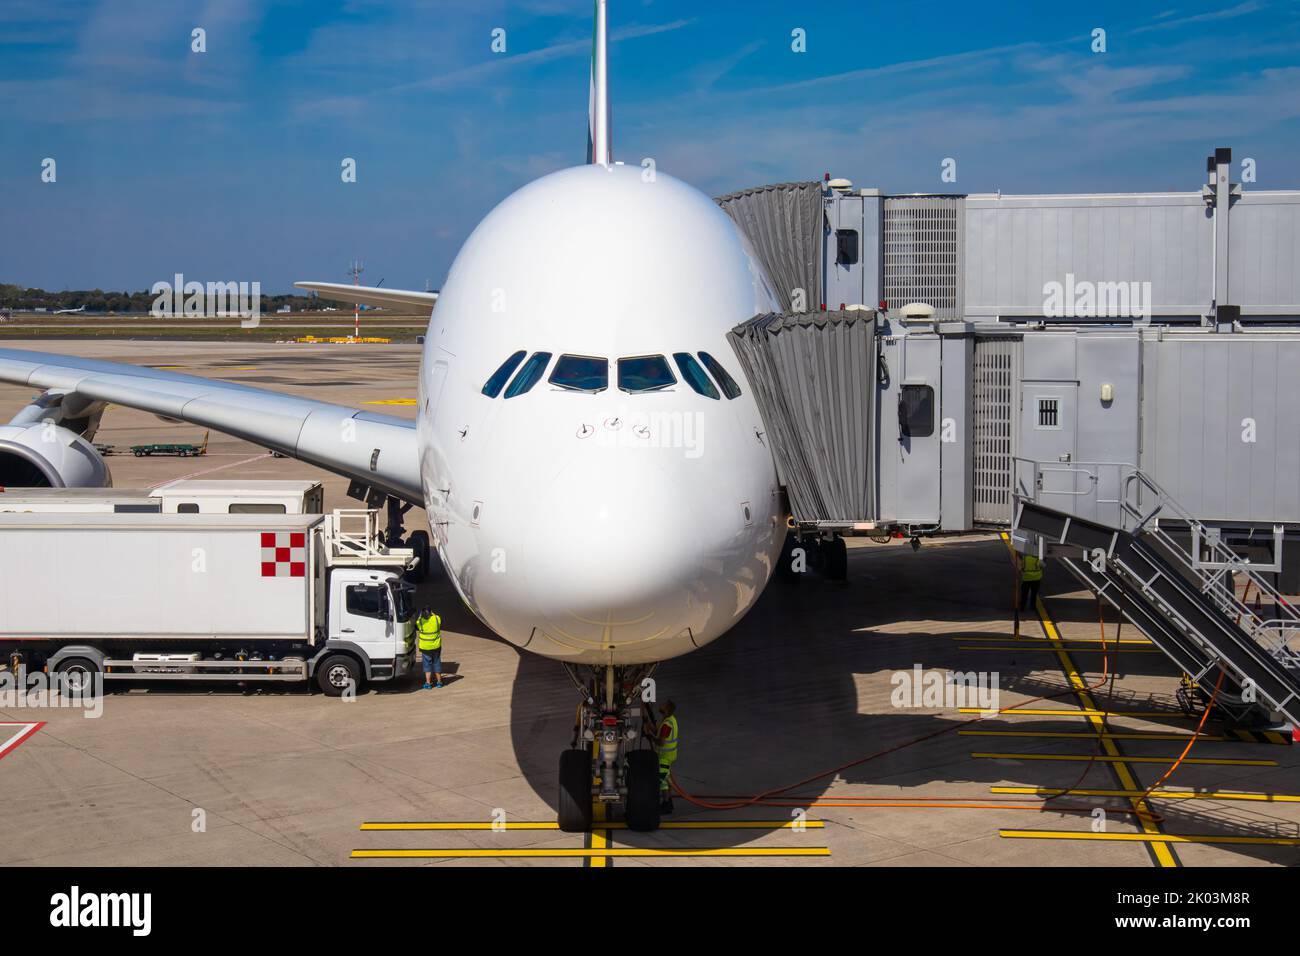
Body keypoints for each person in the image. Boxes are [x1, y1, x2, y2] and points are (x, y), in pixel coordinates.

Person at [646, 699, 679, 814]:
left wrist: (651, 737)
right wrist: (650, 727)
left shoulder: (667, 724)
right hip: (667, 756)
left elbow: (661, 741)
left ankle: (666, 804)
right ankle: (669, 802)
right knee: (667, 779)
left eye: (663, 705)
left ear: (667, 709)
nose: (661, 705)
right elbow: (659, 732)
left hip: (664, 757)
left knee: (661, 782)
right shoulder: (668, 720)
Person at [415, 605, 443, 689]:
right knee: (437, 663)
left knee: (427, 665)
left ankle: (428, 683)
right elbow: (436, 617)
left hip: (425, 648)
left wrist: (420, 615)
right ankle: (439, 682)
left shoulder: (420, 622)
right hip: (436, 646)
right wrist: (432, 613)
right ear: (431, 612)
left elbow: (417, 624)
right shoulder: (437, 619)